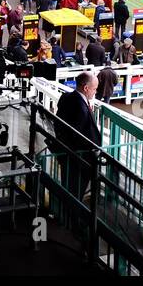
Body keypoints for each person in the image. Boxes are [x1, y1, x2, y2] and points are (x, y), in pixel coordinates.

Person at [55, 72, 100, 200]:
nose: (95, 92)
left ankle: (67, 215)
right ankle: (71, 217)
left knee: (68, 189)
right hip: (79, 159)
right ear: (86, 88)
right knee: (75, 194)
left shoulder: (66, 97)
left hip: (68, 155)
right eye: (94, 89)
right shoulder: (81, 107)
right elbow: (77, 134)